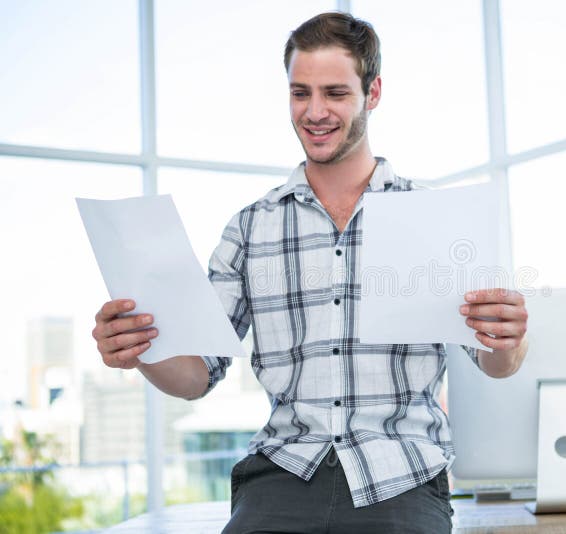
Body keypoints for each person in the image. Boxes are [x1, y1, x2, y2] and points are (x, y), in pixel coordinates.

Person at [92, 12, 528, 534]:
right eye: (301, 93)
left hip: (401, 477)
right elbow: (195, 376)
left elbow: (495, 363)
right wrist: (143, 348)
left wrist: (509, 338)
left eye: (335, 93)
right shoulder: (250, 228)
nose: (315, 112)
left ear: (373, 92)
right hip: (281, 475)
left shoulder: (433, 218)